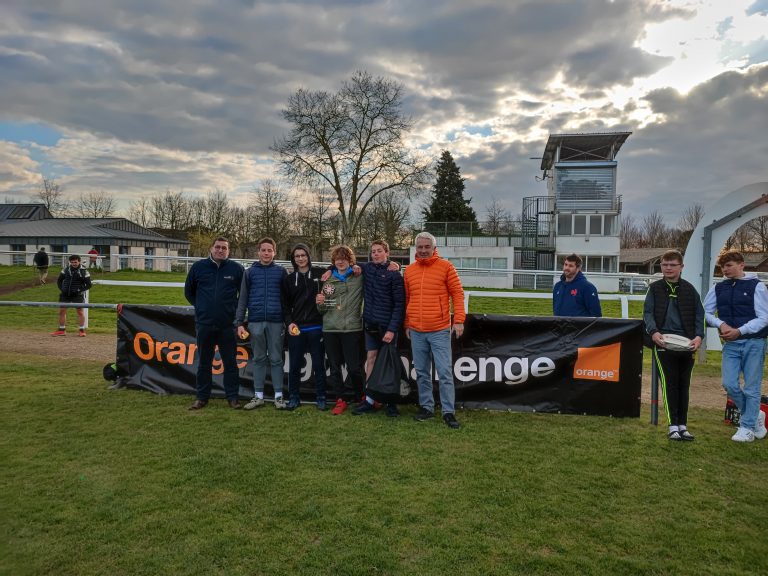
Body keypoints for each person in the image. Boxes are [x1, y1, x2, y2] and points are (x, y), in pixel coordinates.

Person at [704, 250, 768, 442]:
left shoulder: (757, 287)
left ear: (741, 265)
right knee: (729, 384)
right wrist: (720, 324)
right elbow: (706, 312)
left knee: (751, 387)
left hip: (754, 342)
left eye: (729, 265)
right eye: (723, 267)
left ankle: (747, 427)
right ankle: (755, 415)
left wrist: (740, 330)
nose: (725, 269)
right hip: (730, 344)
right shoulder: (718, 288)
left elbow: (764, 317)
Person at [404, 231, 466, 429]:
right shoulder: (410, 271)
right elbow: (407, 299)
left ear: (433, 248)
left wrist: (459, 320)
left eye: (426, 247)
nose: (423, 250)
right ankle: (427, 408)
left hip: (439, 330)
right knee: (421, 372)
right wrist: (407, 323)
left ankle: (448, 412)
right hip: (416, 330)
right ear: (416, 248)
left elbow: (457, 294)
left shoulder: (446, 267)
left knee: (445, 372)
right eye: (420, 247)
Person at [643, 250, 704, 441]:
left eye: (672, 265)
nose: (668, 268)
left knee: (683, 385)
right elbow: (648, 313)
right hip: (663, 343)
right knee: (670, 385)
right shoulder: (654, 288)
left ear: (681, 267)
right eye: (665, 265)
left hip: (686, 345)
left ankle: (683, 425)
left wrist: (698, 337)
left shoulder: (690, 289)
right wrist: (654, 332)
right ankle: (672, 426)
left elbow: (699, 316)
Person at [184, 237, 244, 410]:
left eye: (224, 248)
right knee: (204, 362)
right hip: (204, 324)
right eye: (217, 247)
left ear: (229, 251)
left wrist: (233, 312)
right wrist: (202, 307)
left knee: (230, 363)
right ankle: (202, 397)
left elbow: (243, 296)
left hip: (227, 325)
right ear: (211, 248)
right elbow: (189, 292)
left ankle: (232, 398)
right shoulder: (198, 267)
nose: (220, 250)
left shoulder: (236, 269)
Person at [352, 239, 405, 418]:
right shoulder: (366, 268)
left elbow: (399, 305)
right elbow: (345, 263)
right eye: (373, 251)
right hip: (370, 325)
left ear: (387, 252)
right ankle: (369, 400)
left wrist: (392, 329)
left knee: (389, 365)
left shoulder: (395, 274)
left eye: (379, 251)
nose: (375, 254)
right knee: (371, 359)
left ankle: (391, 403)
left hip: (388, 327)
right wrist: (329, 271)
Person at [236, 237, 288, 410]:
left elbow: (287, 300)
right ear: (258, 252)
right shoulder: (249, 272)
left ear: (275, 252)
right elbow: (242, 299)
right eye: (263, 250)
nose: (266, 253)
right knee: (258, 359)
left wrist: (288, 321)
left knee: (276, 359)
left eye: (270, 250)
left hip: (276, 322)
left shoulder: (281, 272)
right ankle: (258, 396)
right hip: (255, 322)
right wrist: (239, 322)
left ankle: (278, 396)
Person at [316, 245, 364, 415]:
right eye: (337, 258)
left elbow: (372, 266)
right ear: (333, 261)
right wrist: (320, 303)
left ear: (350, 260)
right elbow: (322, 310)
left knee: (354, 368)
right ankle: (340, 400)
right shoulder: (327, 280)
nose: (341, 261)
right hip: (330, 329)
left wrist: (393, 265)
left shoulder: (359, 276)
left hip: (352, 329)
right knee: (335, 368)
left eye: (344, 258)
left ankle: (361, 398)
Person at [282, 243, 327, 410]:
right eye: (297, 256)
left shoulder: (320, 274)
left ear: (308, 256)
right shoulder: (288, 279)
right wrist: (289, 322)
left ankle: (321, 397)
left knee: (318, 365)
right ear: (293, 259)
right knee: (294, 365)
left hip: (316, 327)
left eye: (303, 255)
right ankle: (294, 397)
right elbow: (285, 306)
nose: (300, 258)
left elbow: (340, 264)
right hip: (297, 328)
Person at [51, 254, 92, 337]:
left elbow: (89, 285)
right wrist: (62, 289)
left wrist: (79, 290)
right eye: (72, 262)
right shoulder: (65, 270)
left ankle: (81, 330)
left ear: (79, 261)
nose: (74, 264)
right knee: (62, 311)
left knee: (80, 312)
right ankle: (62, 330)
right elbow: (59, 281)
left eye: (75, 262)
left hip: (77, 295)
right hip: (65, 295)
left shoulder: (84, 271)